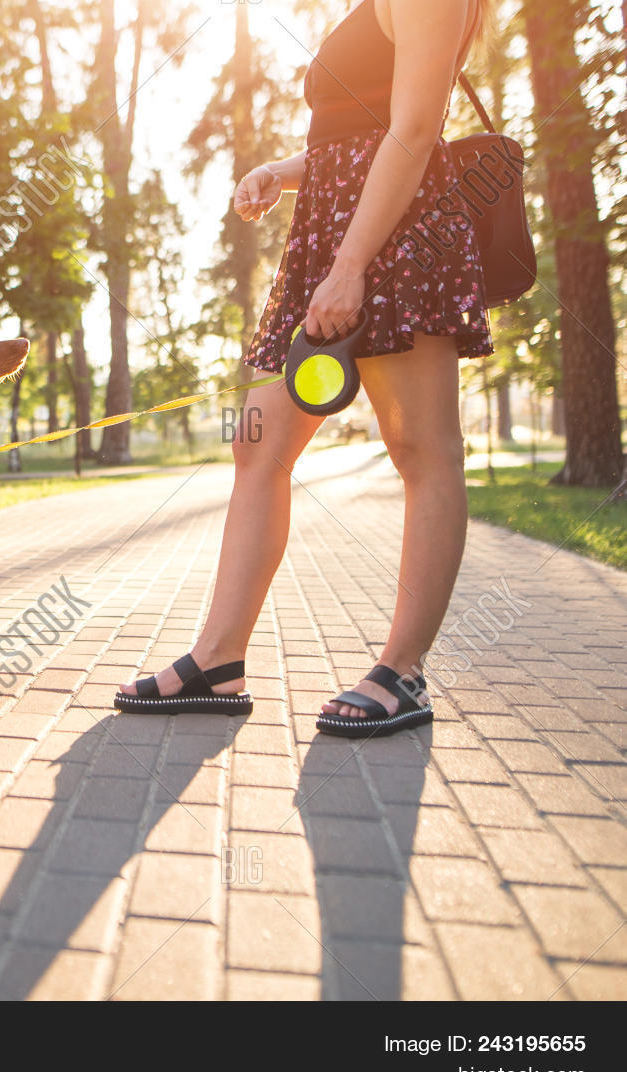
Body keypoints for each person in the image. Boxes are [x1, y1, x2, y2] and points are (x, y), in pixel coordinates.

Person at [115, 0, 493, 739]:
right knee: (259, 442)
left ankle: (403, 669)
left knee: (421, 449)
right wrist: (285, 171)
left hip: (398, 232)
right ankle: (219, 658)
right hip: (333, 228)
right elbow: (356, 122)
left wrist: (352, 264)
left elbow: (415, 130)